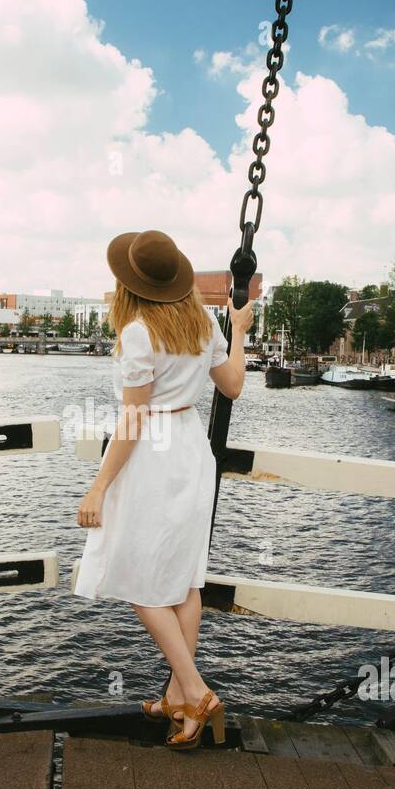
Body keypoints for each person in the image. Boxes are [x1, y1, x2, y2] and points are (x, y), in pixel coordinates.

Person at [74, 229, 253, 751]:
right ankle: (180, 699)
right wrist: (238, 329)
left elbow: (131, 418)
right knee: (183, 580)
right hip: (191, 449)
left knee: (133, 574)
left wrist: (98, 487)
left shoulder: (136, 332)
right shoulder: (203, 323)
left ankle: (196, 691)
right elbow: (234, 386)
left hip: (151, 450)